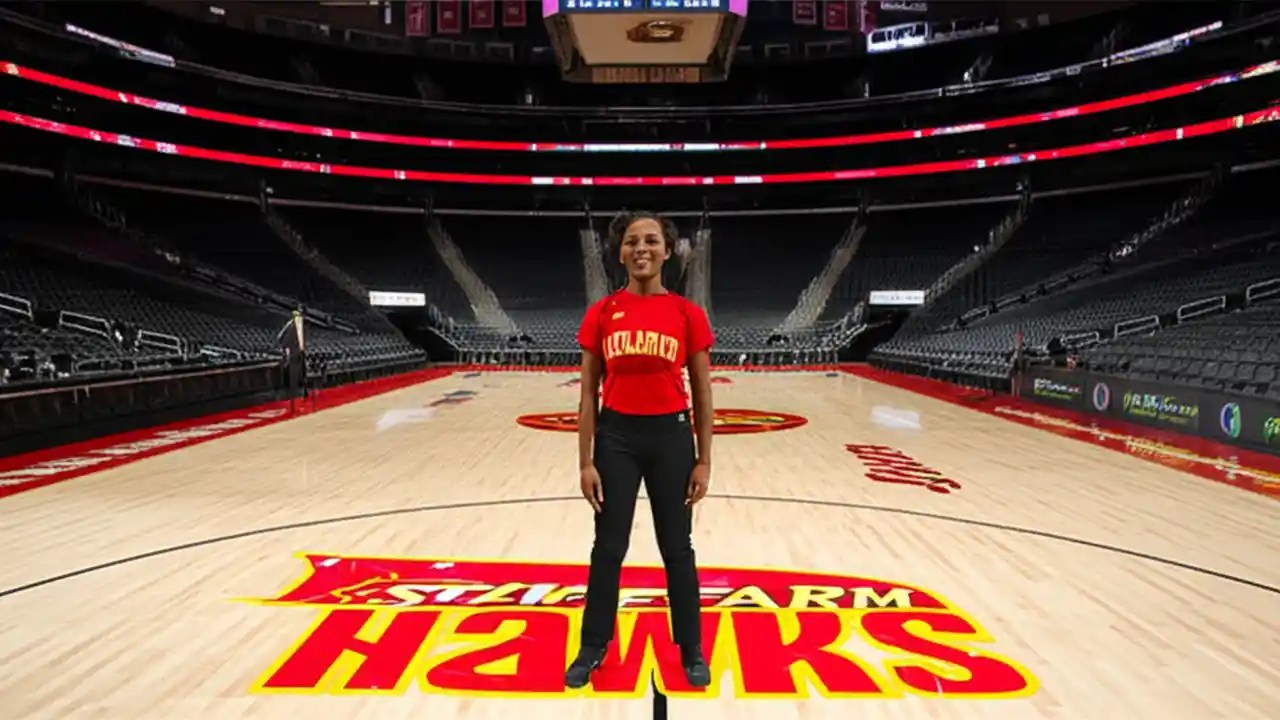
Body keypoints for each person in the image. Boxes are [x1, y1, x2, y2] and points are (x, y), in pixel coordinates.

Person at [565, 211, 715, 689]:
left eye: (652, 240)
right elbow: (588, 393)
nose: (642, 248)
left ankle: (691, 648)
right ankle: (593, 646)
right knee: (608, 549)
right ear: (621, 252)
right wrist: (585, 460)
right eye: (632, 242)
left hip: (672, 438)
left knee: (678, 549)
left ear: (669, 251)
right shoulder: (603, 312)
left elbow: (704, 390)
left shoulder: (687, 314)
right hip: (617, 439)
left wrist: (705, 459)